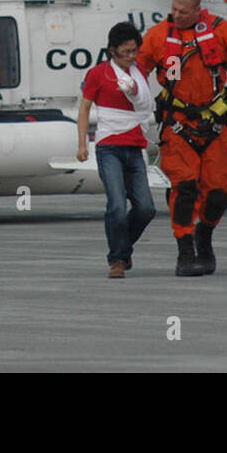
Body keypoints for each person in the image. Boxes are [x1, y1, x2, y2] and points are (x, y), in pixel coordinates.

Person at [137, 0, 227, 276]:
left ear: (197, 10)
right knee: (184, 188)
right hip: (177, 125)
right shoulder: (156, 37)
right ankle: (185, 250)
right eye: (174, 10)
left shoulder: (221, 31)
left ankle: (205, 234)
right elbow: (136, 73)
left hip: (214, 123)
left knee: (218, 191)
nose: (177, 15)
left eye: (183, 11)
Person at [77, 22, 157, 278]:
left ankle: (123, 247)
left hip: (134, 148)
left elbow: (145, 104)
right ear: (112, 51)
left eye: (134, 51)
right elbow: (85, 109)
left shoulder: (139, 72)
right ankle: (117, 260)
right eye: (126, 52)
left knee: (146, 208)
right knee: (117, 206)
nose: (131, 57)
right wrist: (81, 144)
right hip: (109, 146)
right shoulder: (98, 74)